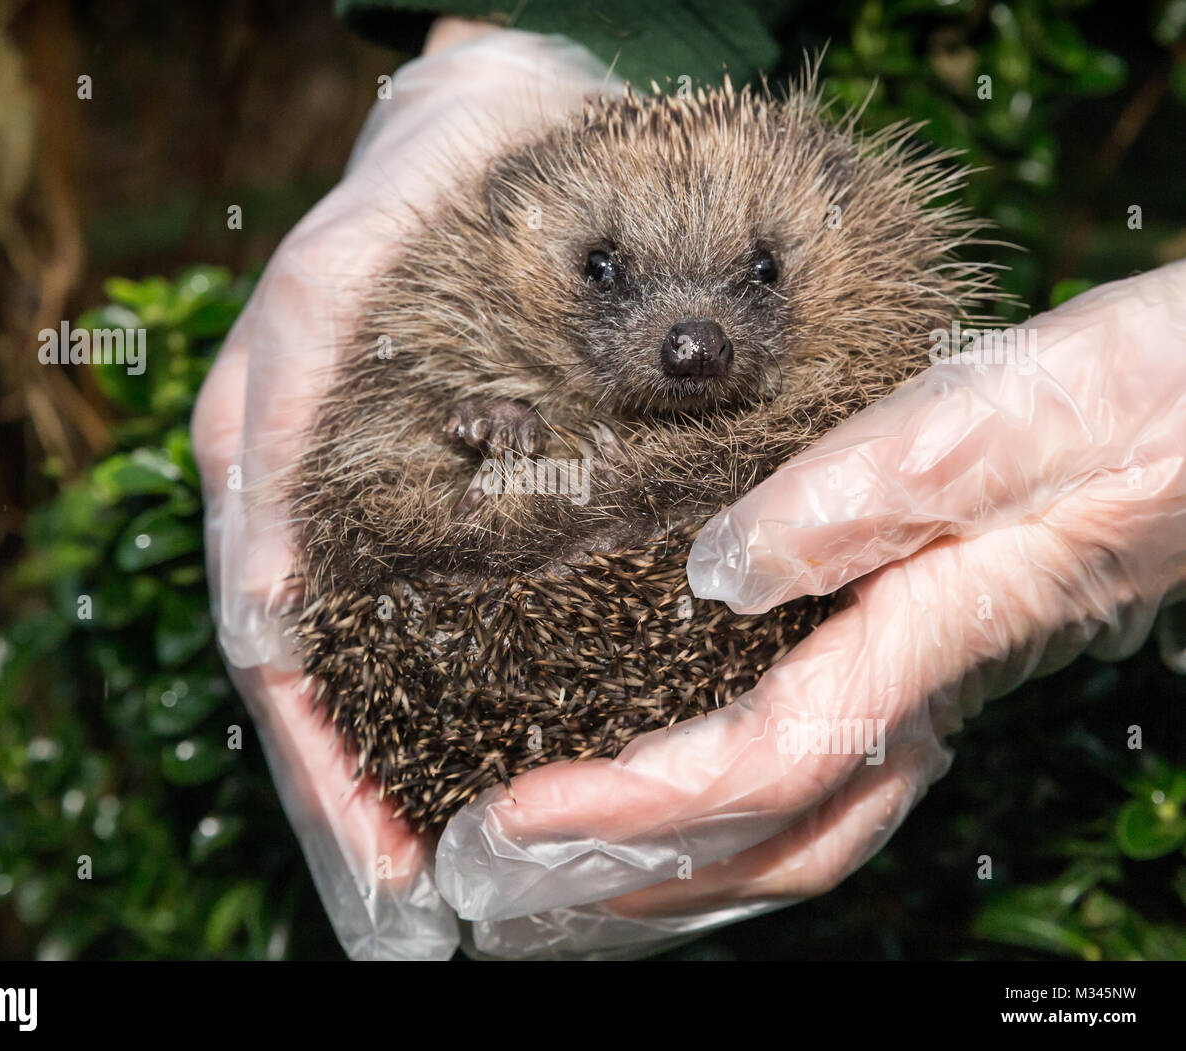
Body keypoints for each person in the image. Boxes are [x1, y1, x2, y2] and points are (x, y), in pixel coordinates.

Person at [190, 16, 1186, 959]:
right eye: (607, 273)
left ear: (832, 229)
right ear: (509, 240)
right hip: (475, 559)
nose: (692, 339)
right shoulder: (466, 323)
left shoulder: (857, 313)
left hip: (555, 523)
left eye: (757, 275)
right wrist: (508, 30)